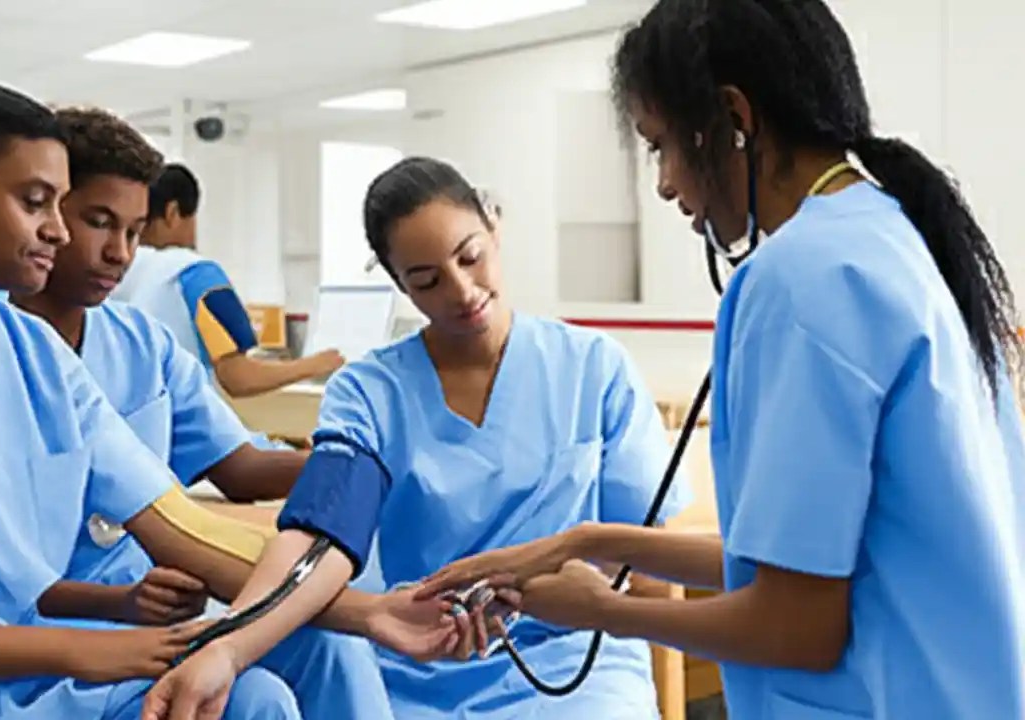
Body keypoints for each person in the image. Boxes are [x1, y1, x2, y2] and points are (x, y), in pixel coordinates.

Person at [0, 79, 450, 720]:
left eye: (60, 205)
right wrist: (73, 652)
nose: (56, 228)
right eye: (35, 202)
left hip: (19, 679)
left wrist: (369, 612)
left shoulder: (36, 357)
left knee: (250, 696)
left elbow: (182, 529)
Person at [417, 2, 1025, 719]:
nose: (667, 184)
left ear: (733, 119)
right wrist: (584, 540)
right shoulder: (894, 237)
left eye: (661, 146)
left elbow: (797, 625)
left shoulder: (800, 281)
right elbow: (813, 568)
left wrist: (604, 610)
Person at [142, 156, 689, 720]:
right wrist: (231, 645)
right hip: (417, 662)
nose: (462, 290)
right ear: (399, 283)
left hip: (572, 661)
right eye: (426, 280)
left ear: (494, 225)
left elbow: (644, 557)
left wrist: (597, 602)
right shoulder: (372, 391)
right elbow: (322, 532)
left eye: (470, 257)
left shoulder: (593, 369)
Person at [10, 105, 396, 720]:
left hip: (160, 604)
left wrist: (357, 463)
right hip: (52, 625)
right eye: (99, 223)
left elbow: (239, 468)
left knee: (330, 646)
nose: (119, 253)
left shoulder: (141, 345)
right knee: (258, 697)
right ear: (51, 214)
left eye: (134, 233)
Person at [113, 163, 344, 399]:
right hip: (183, 425)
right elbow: (236, 376)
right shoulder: (196, 274)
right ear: (173, 212)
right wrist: (315, 365)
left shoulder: (116, 269)